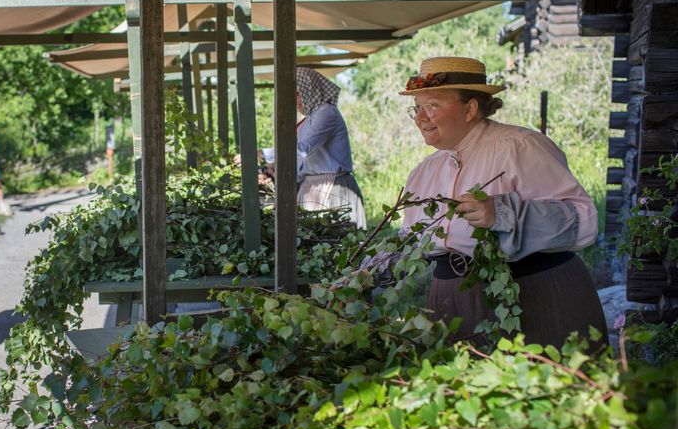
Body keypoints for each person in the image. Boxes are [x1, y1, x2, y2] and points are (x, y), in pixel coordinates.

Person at [400, 56, 605, 348]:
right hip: (451, 302)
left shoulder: (520, 146)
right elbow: (409, 241)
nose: (421, 118)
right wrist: (365, 272)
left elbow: (585, 221)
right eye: (417, 108)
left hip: (535, 296)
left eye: (432, 106)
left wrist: (505, 214)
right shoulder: (424, 173)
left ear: (470, 108)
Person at [251, 68, 367, 228]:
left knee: (337, 243)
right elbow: (299, 161)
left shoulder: (327, 113)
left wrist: (262, 153)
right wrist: (274, 170)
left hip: (333, 187)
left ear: (312, 91)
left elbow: (302, 149)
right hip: (312, 188)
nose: (295, 100)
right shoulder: (308, 121)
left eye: (298, 94)